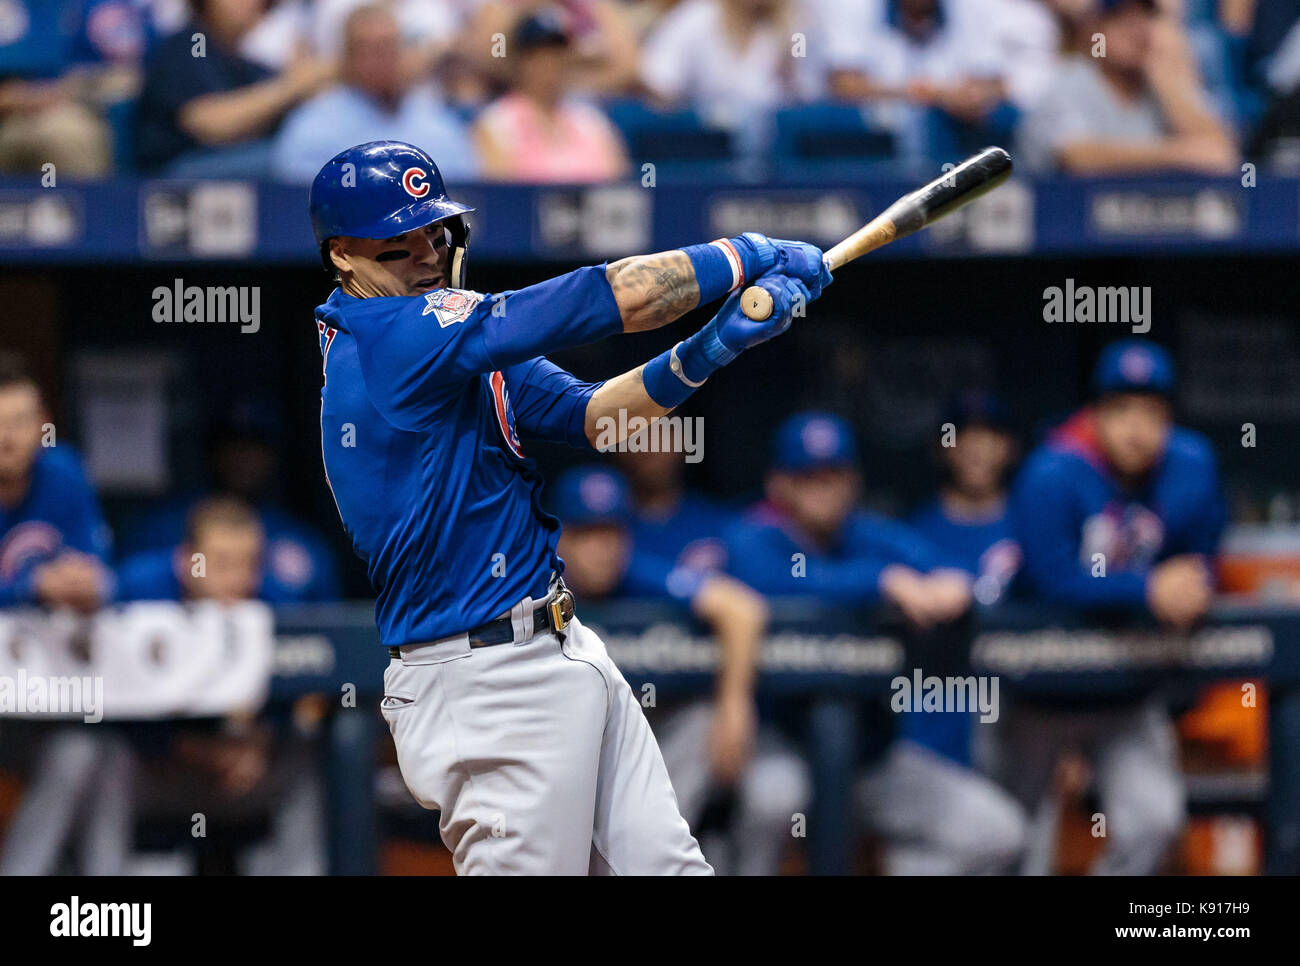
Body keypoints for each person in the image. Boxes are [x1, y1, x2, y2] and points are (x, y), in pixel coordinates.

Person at [309, 138, 832, 874]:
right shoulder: (389, 339)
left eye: (433, 231)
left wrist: (714, 347)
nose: (426, 253)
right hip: (481, 678)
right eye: (399, 245)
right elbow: (616, 295)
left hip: (561, 646)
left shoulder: (457, 347)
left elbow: (597, 419)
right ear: (343, 256)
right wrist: (744, 253)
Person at [725, 411, 1025, 875]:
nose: (824, 488)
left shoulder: (870, 536)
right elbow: (768, 582)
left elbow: (951, 572)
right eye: (808, 477)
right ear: (779, 484)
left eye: (835, 475)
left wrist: (953, 585)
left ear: (854, 481)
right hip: (781, 747)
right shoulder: (752, 537)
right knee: (771, 801)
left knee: (998, 831)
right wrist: (880, 581)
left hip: (872, 760)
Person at [1000, 339, 1226, 875]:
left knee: (1155, 821)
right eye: (1121, 409)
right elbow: (1052, 579)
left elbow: (1203, 559)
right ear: (1094, 413)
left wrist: (1194, 584)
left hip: (1125, 679)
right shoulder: (1051, 472)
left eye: (1153, 412)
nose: (1137, 428)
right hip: (1039, 684)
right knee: (1015, 843)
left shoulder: (1190, 466)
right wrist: (1147, 590)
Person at [552, 465, 808, 875]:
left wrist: (734, 705)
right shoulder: (535, 593)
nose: (602, 548)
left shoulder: (639, 574)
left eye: (612, 532)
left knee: (701, 722)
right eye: (586, 533)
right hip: (564, 753)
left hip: (643, 749)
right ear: (559, 537)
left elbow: (742, 610)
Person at [115, 496, 326, 876]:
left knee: (311, 753)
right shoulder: (137, 591)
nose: (238, 578)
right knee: (96, 756)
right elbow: (108, 706)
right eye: (222, 563)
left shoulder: (274, 599)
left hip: (242, 773)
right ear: (187, 562)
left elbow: (306, 692)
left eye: (249, 563)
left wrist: (263, 741)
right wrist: (192, 749)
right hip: (157, 774)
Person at [0, 358, 125, 876]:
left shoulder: (63, 472)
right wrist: (32, 584)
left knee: (94, 750)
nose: (7, 437)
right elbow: (38, 582)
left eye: (19, 422)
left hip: (42, 693)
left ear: (41, 424)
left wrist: (91, 584)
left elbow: (100, 573)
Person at [1017, 0, 1238, 174]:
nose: (1138, 29)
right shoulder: (1069, 82)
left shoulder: (1163, 82)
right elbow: (1078, 159)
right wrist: (1180, 155)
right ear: (1093, 32)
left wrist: (1168, 87)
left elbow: (1221, 155)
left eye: (1145, 16)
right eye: (1121, 18)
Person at [272, 4, 477, 183]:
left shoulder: (440, 124)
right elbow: (301, 206)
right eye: (371, 50)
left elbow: (465, 198)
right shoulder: (312, 128)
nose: (383, 60)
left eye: (390, 47)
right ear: (348, 57)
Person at [135, 0, 335, 176]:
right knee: (297, 155)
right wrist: (292, 86)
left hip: (226, 165)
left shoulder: (244, 63)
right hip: (174, 174)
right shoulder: (194, 44)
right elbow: (208, 124)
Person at [471, 8, 629, 182]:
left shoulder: (591, 122)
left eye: (557, 56)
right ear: (520, 61)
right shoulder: (497, 123)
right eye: (539, 56)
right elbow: (499, 197)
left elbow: (619, 187)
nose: (549, 65)